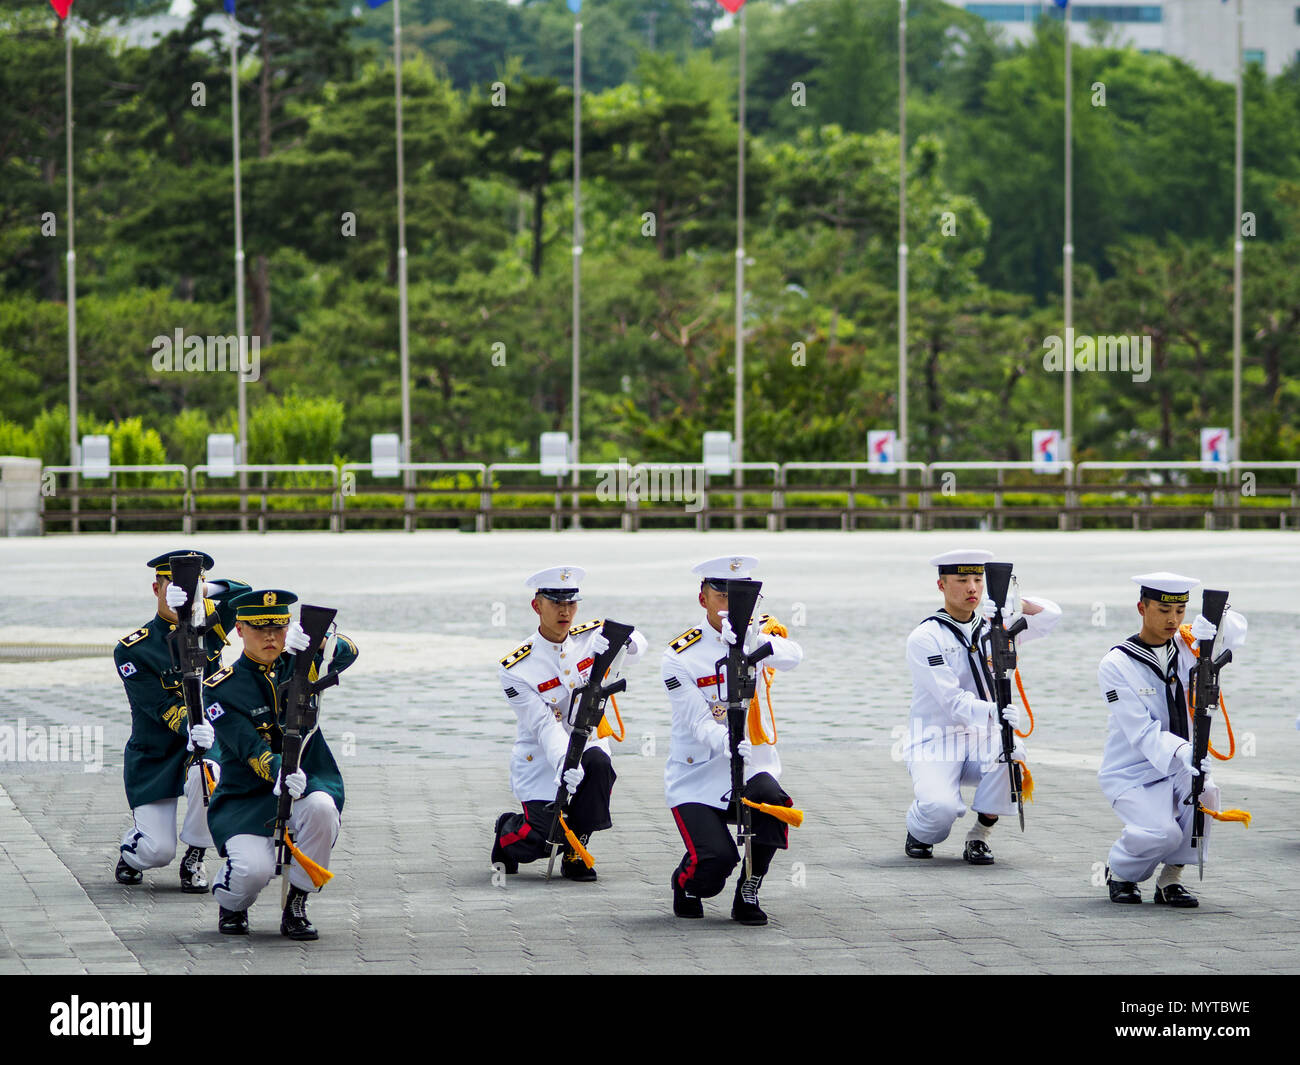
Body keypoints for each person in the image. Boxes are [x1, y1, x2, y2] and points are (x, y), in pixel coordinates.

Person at [204, 590, 357, 938]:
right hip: (248, 795)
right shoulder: (221, 688)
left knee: (321, 808)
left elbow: (350, 654)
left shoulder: (301, 663)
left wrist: (322, 643)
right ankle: (232, 903)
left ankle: (297, 901)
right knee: (252, 873)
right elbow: (248, 746)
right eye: (259, 629)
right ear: (240, 629)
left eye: (278, 627)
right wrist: (279, 771)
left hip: (308, 779)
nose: (271, 637)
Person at [663, 555, 803, 926]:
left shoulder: (759, 633)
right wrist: (726, 741)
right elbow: (695, 720)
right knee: (716, 860)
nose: (730, 606)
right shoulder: (680, 656)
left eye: (741, 597)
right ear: (703, 598)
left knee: (773, 804)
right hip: (699, 772)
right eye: (721, 595)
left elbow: (794, 656)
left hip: (752, 762)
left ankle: (749, 888)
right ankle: (686, 884)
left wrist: (754, 641)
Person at [1098, 572, 1248, 907]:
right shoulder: (1116, 663)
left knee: (1206, 792)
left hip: (1181, 764)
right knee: (1162, 833)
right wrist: (1186, 751)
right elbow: (1141, 731)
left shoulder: (1187, 644)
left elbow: (1236, 636)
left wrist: (1215, 622)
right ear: (1142, 607)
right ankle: (1121, 872)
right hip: (1133, 771)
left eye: (1180, 610)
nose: (1173, 619)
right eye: (1164, 610)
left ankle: (1171, 879)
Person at [902, 549, 1061, 864]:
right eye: (962, 580)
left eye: (978, 579)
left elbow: (1050, 617)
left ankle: (979, 835)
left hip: (985, 736)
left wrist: (1014, 604)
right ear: (941, 585)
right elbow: (951, 700)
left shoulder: (996, 625)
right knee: (940, 812)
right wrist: (993, 710)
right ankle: (919, 829)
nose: (973, 587)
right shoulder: (925, 637)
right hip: (937, 739)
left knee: (1012, 752)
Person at [491, 565, 647, 881]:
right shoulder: (517, 668)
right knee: (542, 842)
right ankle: (506, 831)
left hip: (588, 742)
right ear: (537, 606)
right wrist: (565, 761)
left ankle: (578, 849)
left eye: (571, 603)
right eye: (556, 603)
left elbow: (638, 643)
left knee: (600, 763)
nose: (566, 611)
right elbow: (544, 725)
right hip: (542, 757)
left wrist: (625, 644)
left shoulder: (591, 638)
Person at [113, 550, 249, 891]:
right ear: (156, 589)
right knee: (156, 851)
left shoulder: (209, 625)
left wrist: (205, 590)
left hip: (204, 741)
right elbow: (158, 705)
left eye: (190, 585)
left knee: (209, 773)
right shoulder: (133, 649)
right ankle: (133, 851)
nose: (181, 593)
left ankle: (197, 855)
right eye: (172, 585)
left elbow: (245, 593)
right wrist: (192, 723)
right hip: (157, 750)